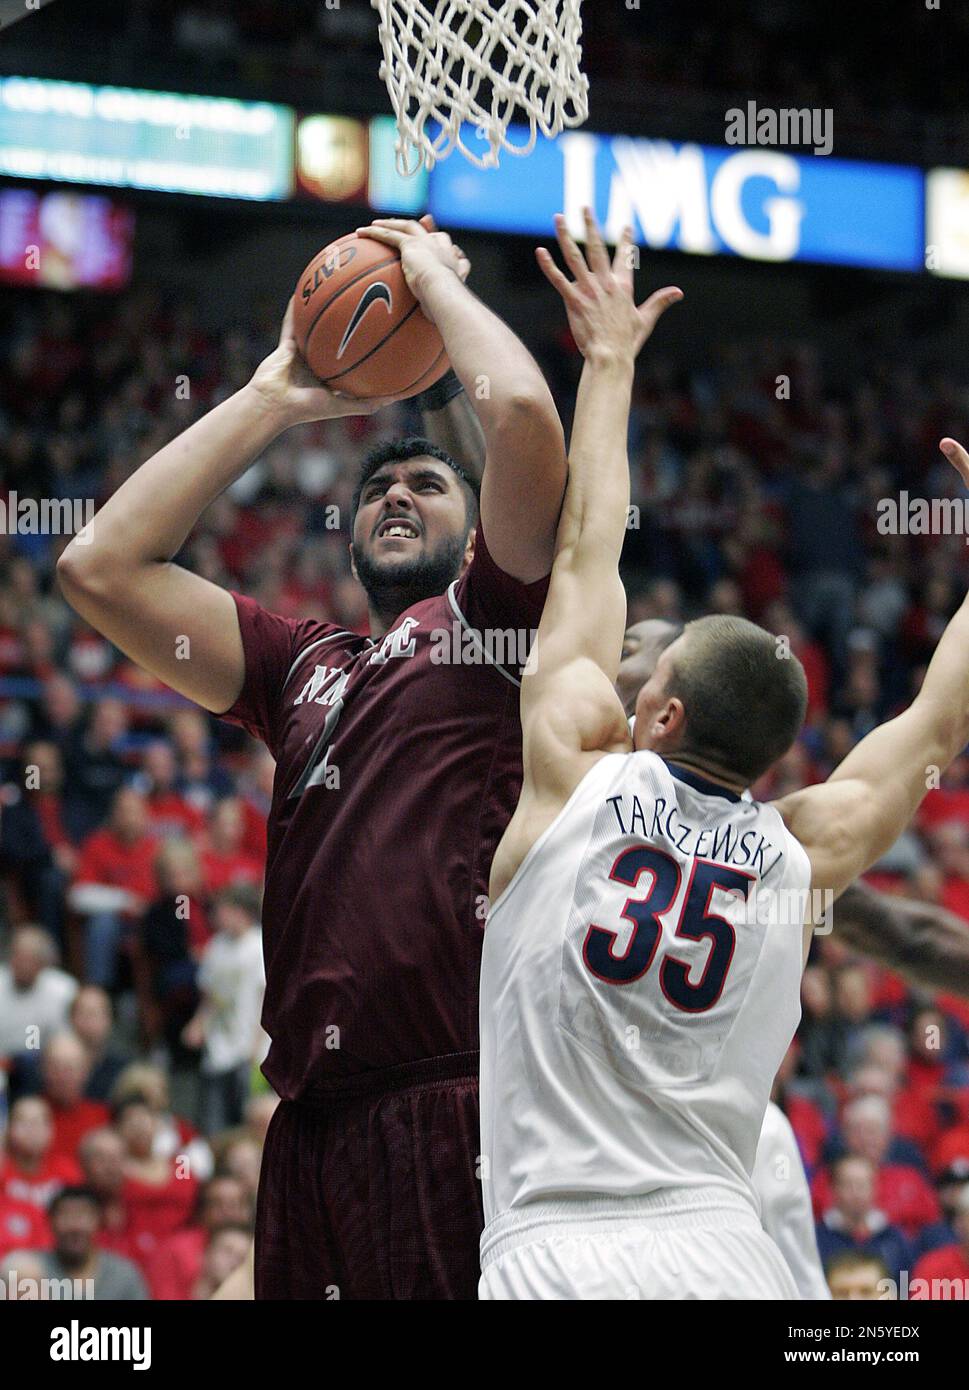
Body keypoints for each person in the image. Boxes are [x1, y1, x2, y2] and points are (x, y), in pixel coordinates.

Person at [58, 213, 567, 1299]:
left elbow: (521, 412)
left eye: (427, 485)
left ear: (477, 539)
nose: (395, 494)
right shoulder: (300, 662)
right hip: (305, 1123)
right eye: (380, 485)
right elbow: (99, 565)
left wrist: (429, 276)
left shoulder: (496, 627)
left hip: (451, 1097)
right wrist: (278, 396)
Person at [477, 208, 969, 1299]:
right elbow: (935, 723)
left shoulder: (571, 778)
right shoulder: (803, 848)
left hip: (554, 1244)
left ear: (657, 717)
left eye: (644, 678)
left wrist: (607, 361)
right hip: (727, 1251)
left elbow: (586, 546)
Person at [39, 1187, 147, 1300]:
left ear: (99, 1221)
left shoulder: (123, 1275)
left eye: (83, 1216)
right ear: (50, 1222)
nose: (75, 1226)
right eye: (65, 1215)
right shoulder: (33, 1270)